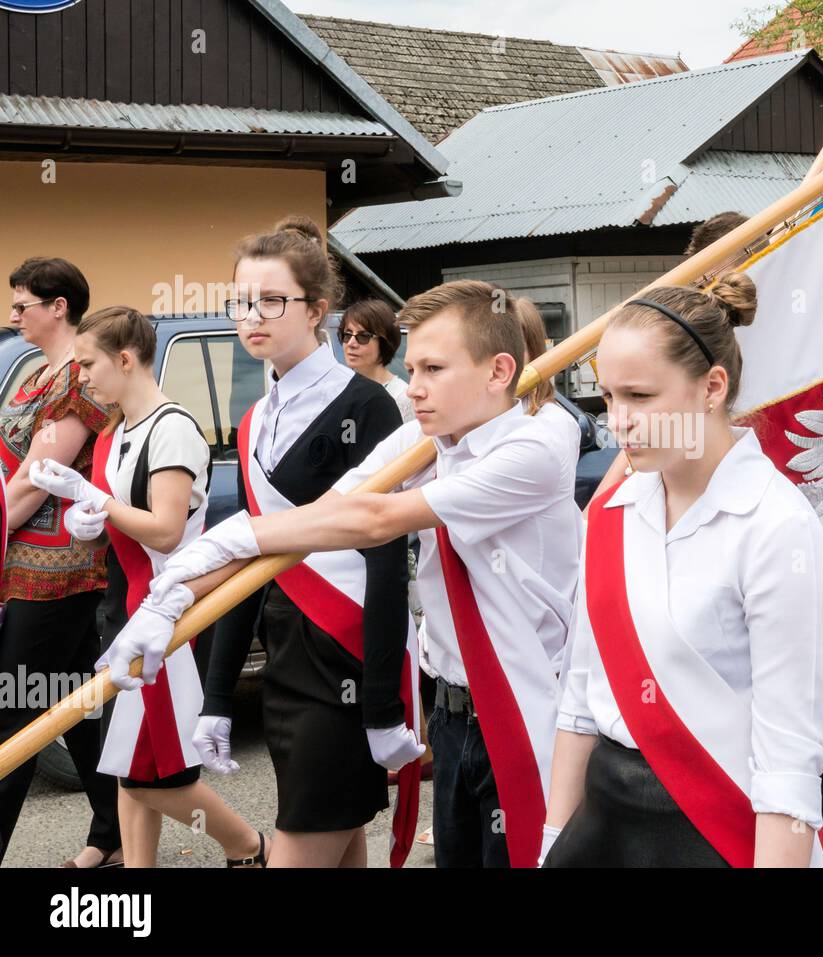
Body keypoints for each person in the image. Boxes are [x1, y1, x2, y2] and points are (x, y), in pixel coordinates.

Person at [113, 279, 581, 869]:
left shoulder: (535, 450)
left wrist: (190, 563)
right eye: (412, 367)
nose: (415, 388)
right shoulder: (426, 439)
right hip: (455, 716)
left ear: (498, 372)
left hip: (524, 713)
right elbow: (314, 521)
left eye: (434, 368)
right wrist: (171, 598)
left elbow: (369, 519)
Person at [106, 216, 416, 868]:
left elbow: (387, 554)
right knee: (341, 829)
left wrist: (384, 702)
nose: (253, 316)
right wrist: (219, 696)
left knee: (311, 828)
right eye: (241, 300)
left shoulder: (368, 405)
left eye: (272, 300)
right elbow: (248, 552)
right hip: (283, 645)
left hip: (347, 652)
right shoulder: (252, 421)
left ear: (319, 310)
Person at [542, 275, 823, 868]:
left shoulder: (776, 528)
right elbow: (580, 701)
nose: (617, 422)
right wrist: (549, 845)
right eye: (606, 397)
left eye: (639, 396)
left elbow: (788, 757)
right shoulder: (609, 512)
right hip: (602, 825)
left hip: (718, 828)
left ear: (712, 386)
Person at [28, 306, 266, 867]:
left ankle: (250, 847)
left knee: (156, 778)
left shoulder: (172, 428)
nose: (81, 376)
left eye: (88, 364)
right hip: (128, 607)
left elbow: (163, 530)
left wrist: (100, 501)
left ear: (126, 360)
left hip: (174, 609)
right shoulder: (115, 432)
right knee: (129, 773)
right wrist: (89, 526)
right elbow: (117, 537)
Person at [0, 257, 121, 867]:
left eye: (23, 304)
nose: (13, 314)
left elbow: (36, 478)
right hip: (21, 556)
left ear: (59, 307)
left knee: (13, 709)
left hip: (57, 566)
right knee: (71, 700)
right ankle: (116, 829)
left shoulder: (77, 374)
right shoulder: (31, 373)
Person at [339, 299, 414, 422]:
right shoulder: (338, 390)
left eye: (363, 336)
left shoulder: (402, 398)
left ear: (384, 342)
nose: (351, 343)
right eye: (347, 335)